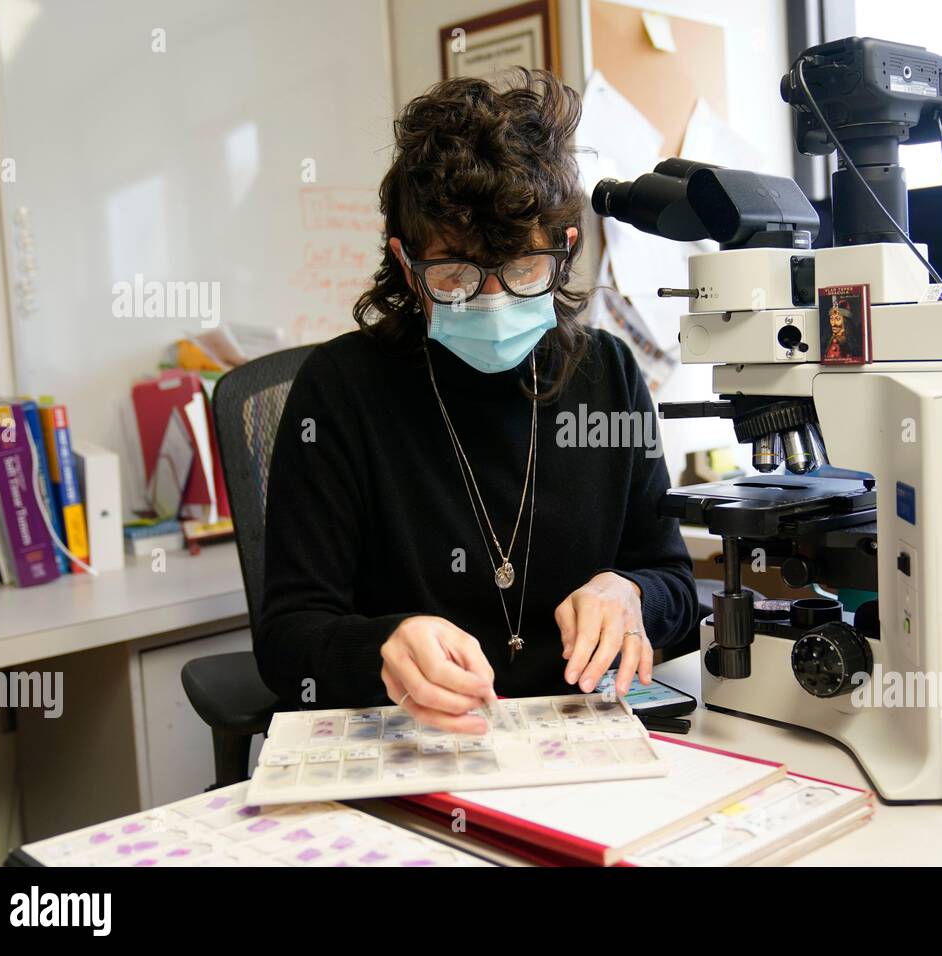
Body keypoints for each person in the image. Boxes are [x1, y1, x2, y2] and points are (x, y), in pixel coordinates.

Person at [257, 69, 697, 734]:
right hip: (412, 743)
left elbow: (676, 584)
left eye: (522, 270)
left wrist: (633, 592)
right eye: (457, 275)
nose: (493, 302)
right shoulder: (341, 392)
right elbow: (288, 639)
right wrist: (382, 646)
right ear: (408, 267)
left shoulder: (606, 378)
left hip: (577, 739)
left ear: (565, 250)